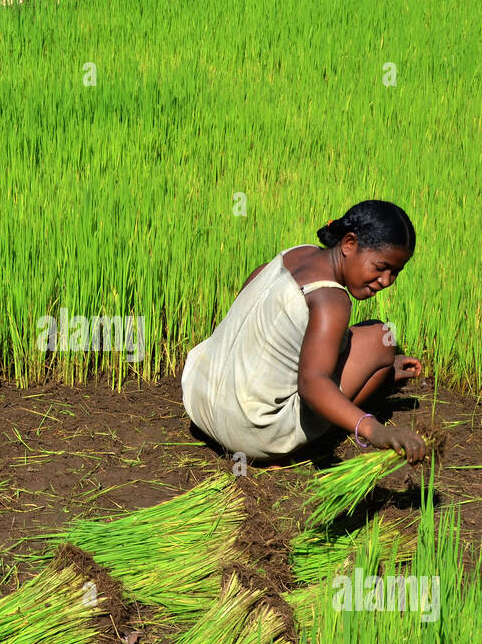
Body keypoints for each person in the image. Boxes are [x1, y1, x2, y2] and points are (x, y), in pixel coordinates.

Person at [181, 199, 429, 464]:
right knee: (380, 339)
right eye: (381, 267)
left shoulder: (296, 254)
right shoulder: (332, 300)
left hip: (198, 398)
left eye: (396, 273)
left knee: (372, 348)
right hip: (249, 433)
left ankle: (378, 372)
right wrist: (373, 429)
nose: (386, 281)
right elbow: (311, 384)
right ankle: (325, 433)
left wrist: (385, 371)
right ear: (349, 244)